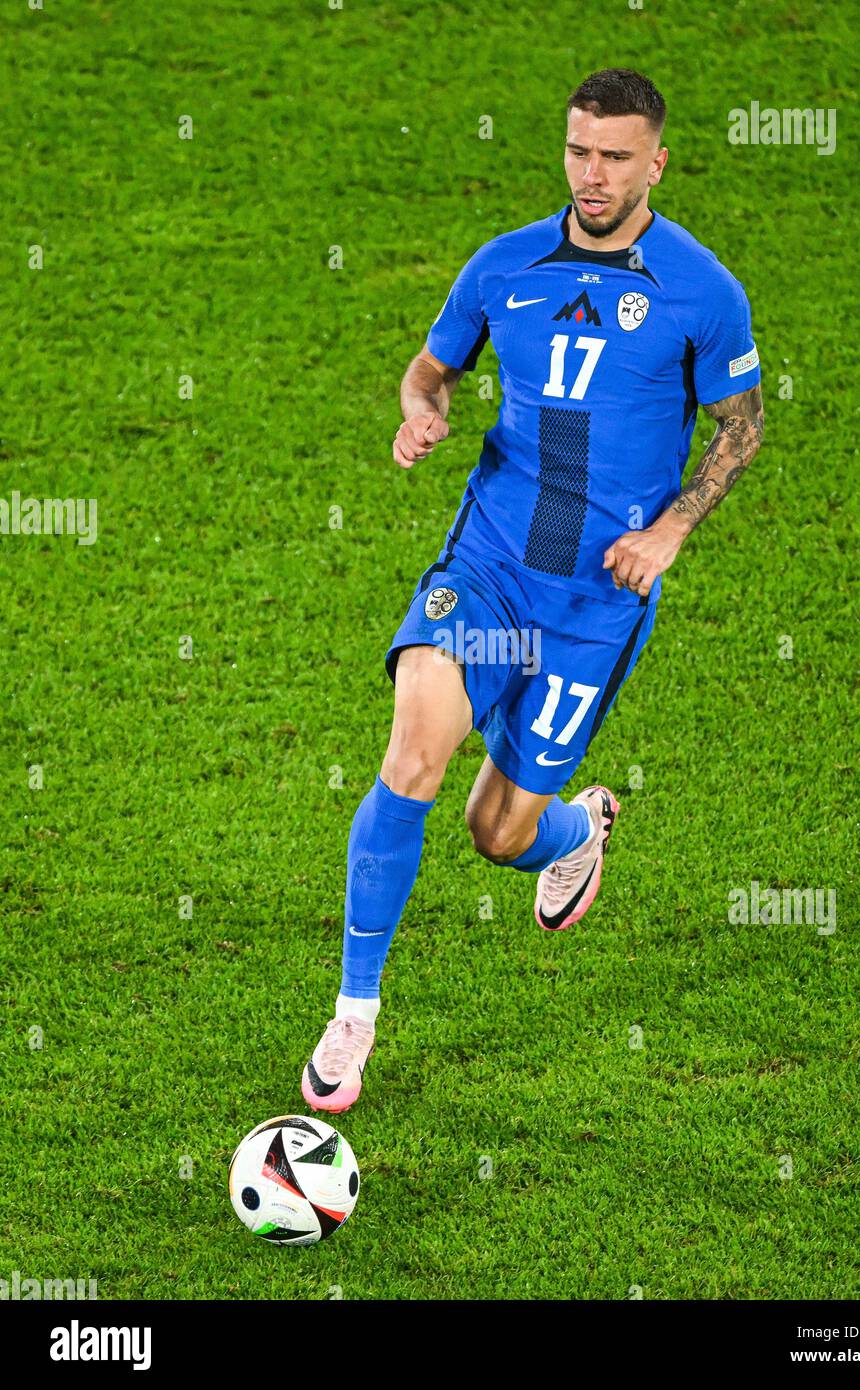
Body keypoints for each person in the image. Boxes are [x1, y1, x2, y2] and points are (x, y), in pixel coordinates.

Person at [303, 67, 765, 1113]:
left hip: (596, 603)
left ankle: (575, 831)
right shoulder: (503, 266)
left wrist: (671, 529)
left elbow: (742, 425)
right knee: (412, 755)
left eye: (614, 156)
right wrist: (423, 410)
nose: (591, 175)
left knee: (497, 831)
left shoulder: (701, 289)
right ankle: (354, 1013)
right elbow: (433, 369)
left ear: (657, 161)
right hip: (493, 572)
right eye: (576, 150)